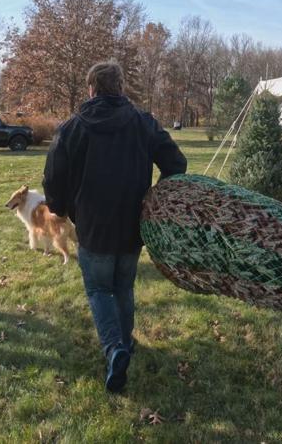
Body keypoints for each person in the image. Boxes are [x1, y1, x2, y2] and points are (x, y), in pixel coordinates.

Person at [43, 60, 187, 392]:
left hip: (94, 225)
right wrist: (156, 201)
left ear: (91, 89)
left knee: (98, 290)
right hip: (132, 224)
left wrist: (60, 209)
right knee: (123, 287)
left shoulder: (73, 127)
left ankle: (114, 349)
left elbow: (54, 175)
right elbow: (176, 163)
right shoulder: (144, 123)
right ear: (121, 88)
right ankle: (125, 344)